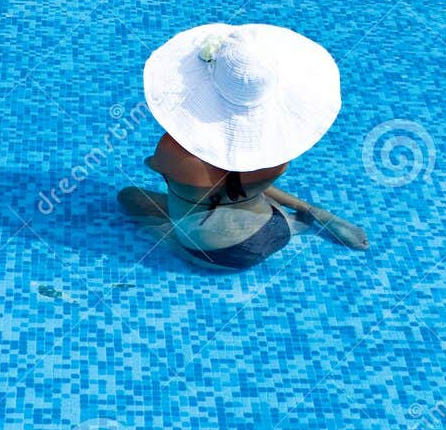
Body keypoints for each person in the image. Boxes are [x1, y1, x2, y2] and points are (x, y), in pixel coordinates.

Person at [118, 23, 342, 271]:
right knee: (235, 192)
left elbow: (155, 164)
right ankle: (308, 213)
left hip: (216, 253)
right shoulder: (278, 153)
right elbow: (236, 178)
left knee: (128, 196)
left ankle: (299, 218)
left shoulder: (173, 152)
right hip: (273, 228)